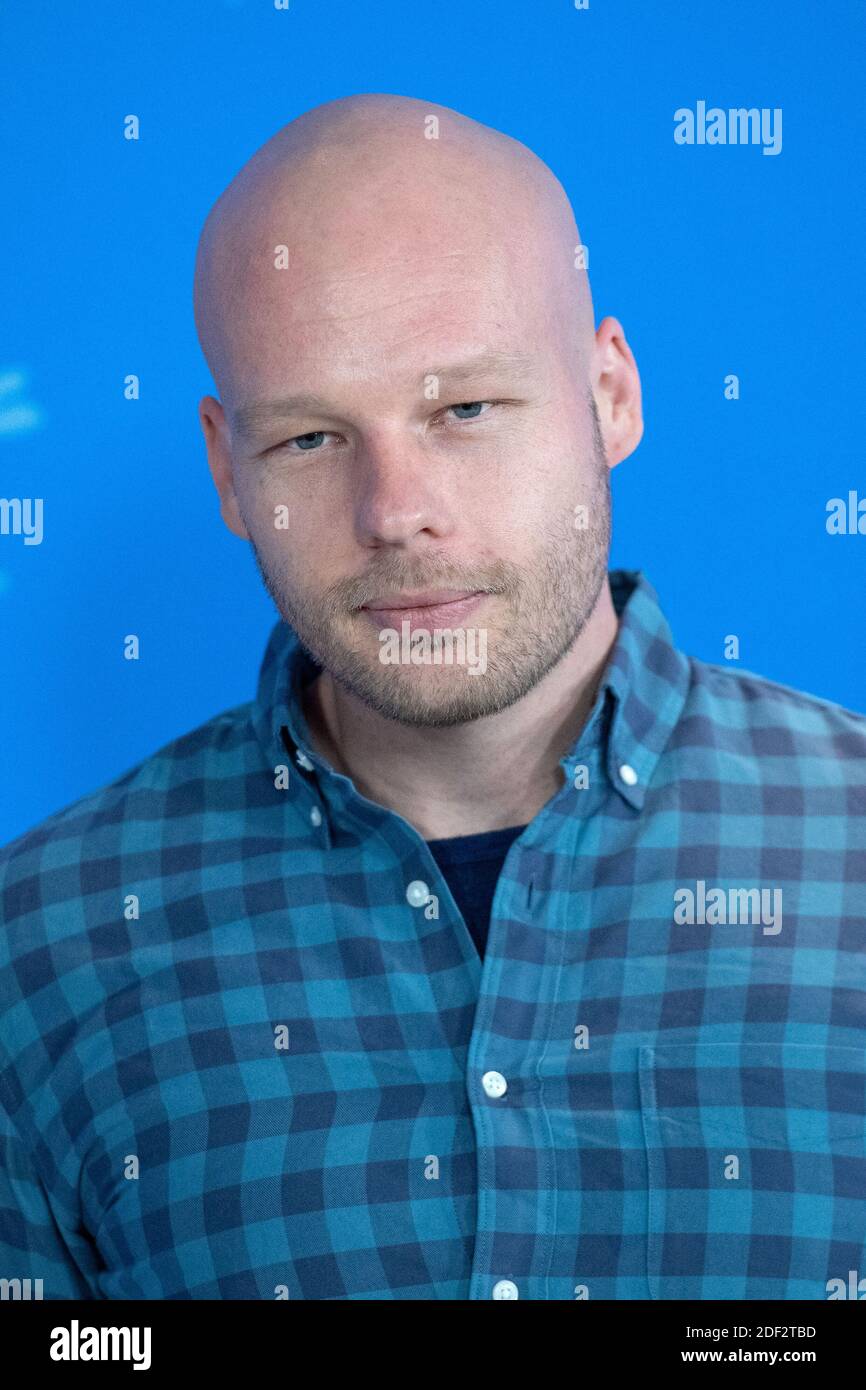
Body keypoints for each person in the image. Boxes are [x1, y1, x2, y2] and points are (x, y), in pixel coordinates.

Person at [1, 93, 864, 1302]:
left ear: (609, 394)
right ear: (226, 470)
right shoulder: (38, 945)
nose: (393, 512)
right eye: (308, 438)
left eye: (463, 409)